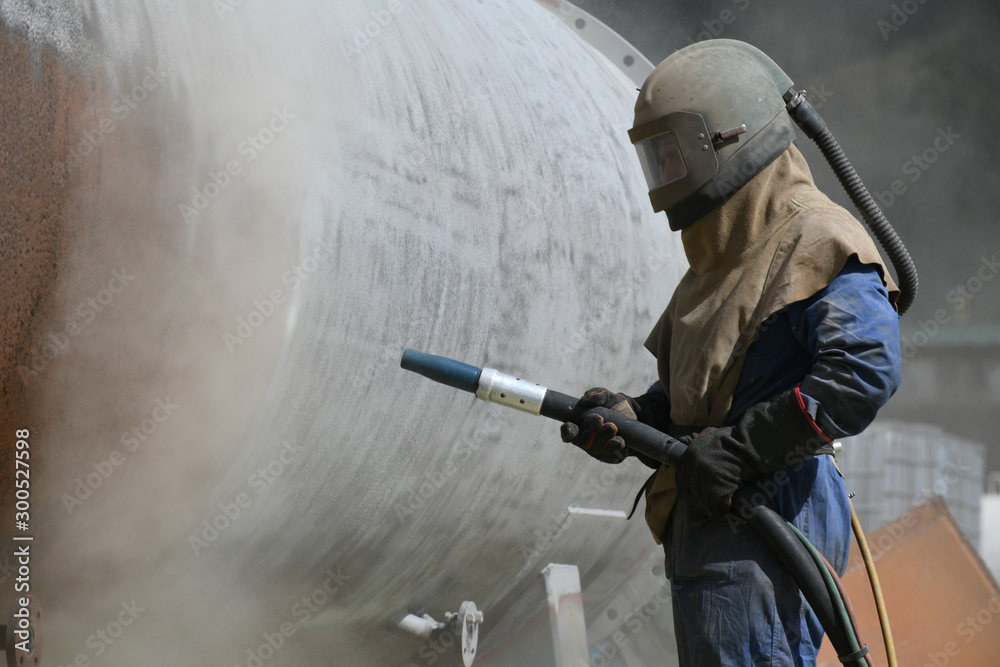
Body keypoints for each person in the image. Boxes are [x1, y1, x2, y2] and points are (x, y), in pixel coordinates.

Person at [560, 39, 902, 666]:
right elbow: (718, 390)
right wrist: (638, 416)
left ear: (726, 141)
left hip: (773, 508)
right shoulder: (720, 262)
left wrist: (743, 452)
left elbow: (864, 371)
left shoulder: (817, 236)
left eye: (673, 153)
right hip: (718, 512)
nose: (664, 171)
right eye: (654, 157)